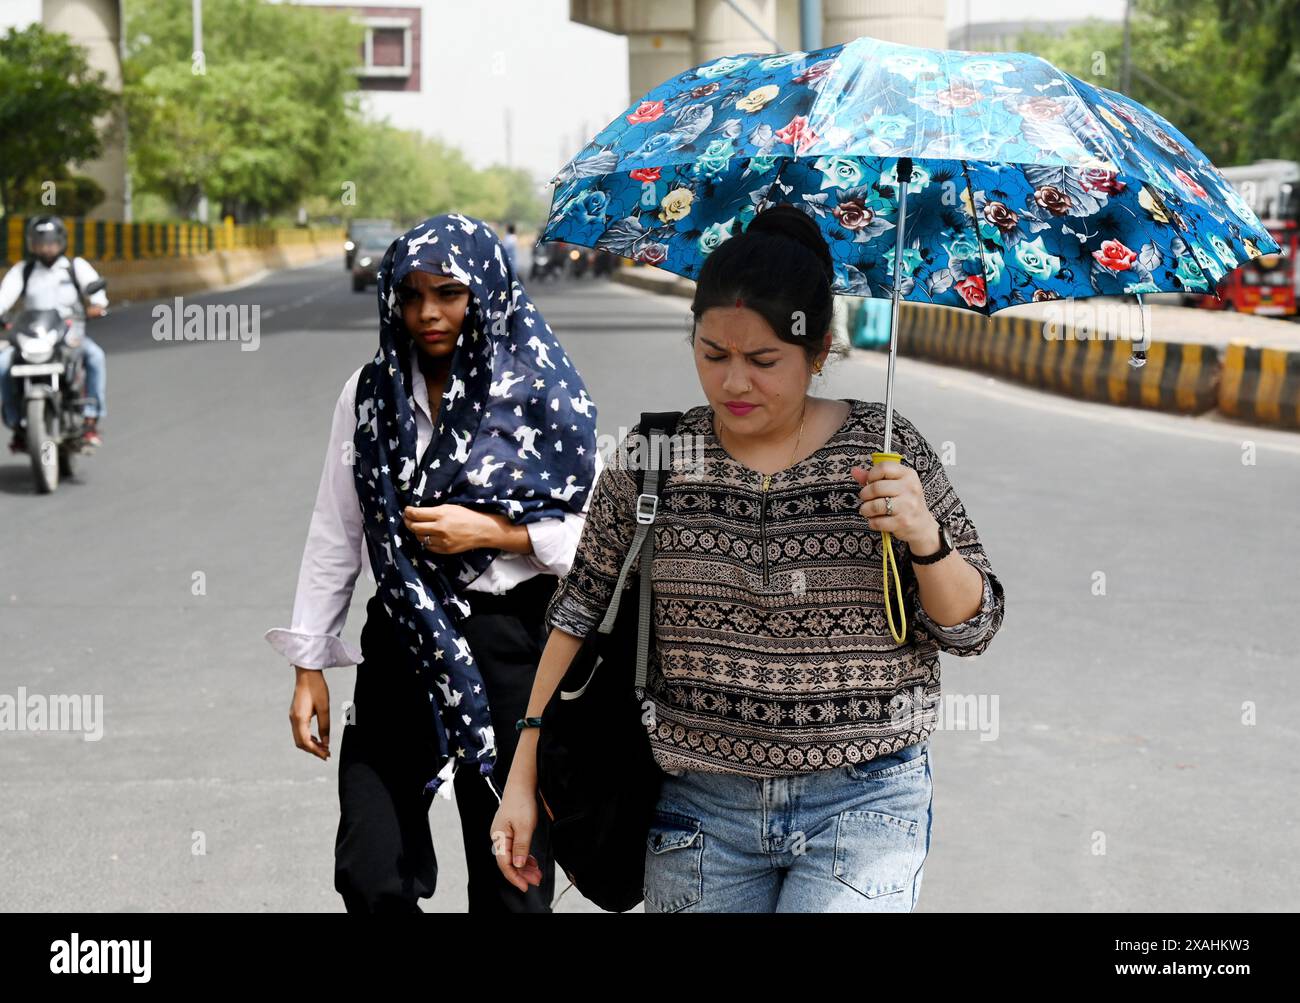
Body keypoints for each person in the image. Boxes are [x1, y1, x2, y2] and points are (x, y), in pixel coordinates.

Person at [493, 204, 1007, 913]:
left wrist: (924, 535)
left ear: (819, 350)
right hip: (700, 812)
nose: (735, 383)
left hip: (864, 803)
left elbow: (971, 626)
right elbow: (576, 615)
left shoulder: (886, 453)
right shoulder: (652, 458)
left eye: (763, 361)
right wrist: (522, 773)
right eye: (713, 355)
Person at [265, 212, 602, 913]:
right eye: (411, 294)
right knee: (369, 871)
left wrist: (495, 532)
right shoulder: (369, 396)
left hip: (514, 649)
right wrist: (308, 666)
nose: (428, 313)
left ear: (485, 290)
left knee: (512, 886)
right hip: (403, 637)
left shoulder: (543, 394)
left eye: (448, 292)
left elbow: (594, 535)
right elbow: (337, 527)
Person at [0, 216, 109, 451]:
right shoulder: (24, 271)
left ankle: (90, 418)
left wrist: (97, 305)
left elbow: (96, 292)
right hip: (33, 339)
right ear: (32, 244)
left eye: (50, 242)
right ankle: (16, 422)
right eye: (40, 242)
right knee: (3, 363)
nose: (46, 247)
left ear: (61, 242)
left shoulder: (75, 266)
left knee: (95, 357)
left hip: (69, 337)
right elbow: (4, 298)